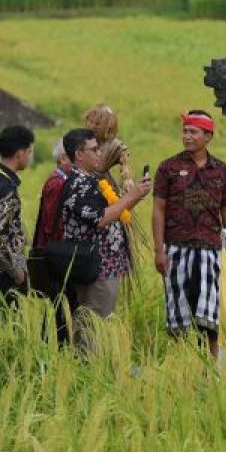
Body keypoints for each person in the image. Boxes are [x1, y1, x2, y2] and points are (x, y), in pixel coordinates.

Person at [151, 111, 226, 357]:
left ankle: (210, 372)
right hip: (177, 251)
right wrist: (159, 251)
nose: (187, 137)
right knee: (179, 315)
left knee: (210, 318)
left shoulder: (220, 170)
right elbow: (158, 210)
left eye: (193, 132)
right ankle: (182, 369)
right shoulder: (169, 167)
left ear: (208, 136)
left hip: (212, 251)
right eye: (185, 131)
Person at [59, 127, 150, 348]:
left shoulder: (91, 180)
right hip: (96, 266)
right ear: (79, 155)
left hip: (105, 265)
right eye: (94, 149)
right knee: (93, 325)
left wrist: (135, 196)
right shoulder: (79, 184)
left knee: (101, 322)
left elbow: (115, 210)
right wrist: (131, 196)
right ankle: (88, 372)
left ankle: (95, 368)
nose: (100, 153)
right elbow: (100, 219)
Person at [0, 125, 35, 307]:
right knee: (11, 319)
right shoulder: (8, 190)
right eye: (29, 151)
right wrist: (16, 270)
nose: (30, 156)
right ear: (19, 154)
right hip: (4, 268)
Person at [28, 137, 74, 345]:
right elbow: (52, 223)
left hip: (52, 252)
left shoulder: (59, 180)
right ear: (63, 159)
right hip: (53, 254)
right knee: (57, 308)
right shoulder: (57, 184)